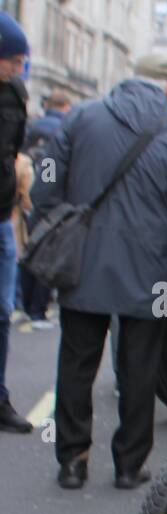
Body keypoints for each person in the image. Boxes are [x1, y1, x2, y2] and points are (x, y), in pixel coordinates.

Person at [32, 53, 167, 489]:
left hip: (83, 267)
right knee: (140, 369)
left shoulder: (80, 120)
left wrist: (61, 217)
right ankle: (130, 464)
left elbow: (44, 180)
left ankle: (73, 458)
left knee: (76, 363)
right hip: (150, 276)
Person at [0, 12, 29, 434]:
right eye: (12, 60)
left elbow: (13, 152)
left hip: (2, 219)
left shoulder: (15, 93)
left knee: (3, 313)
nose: (19, 68)